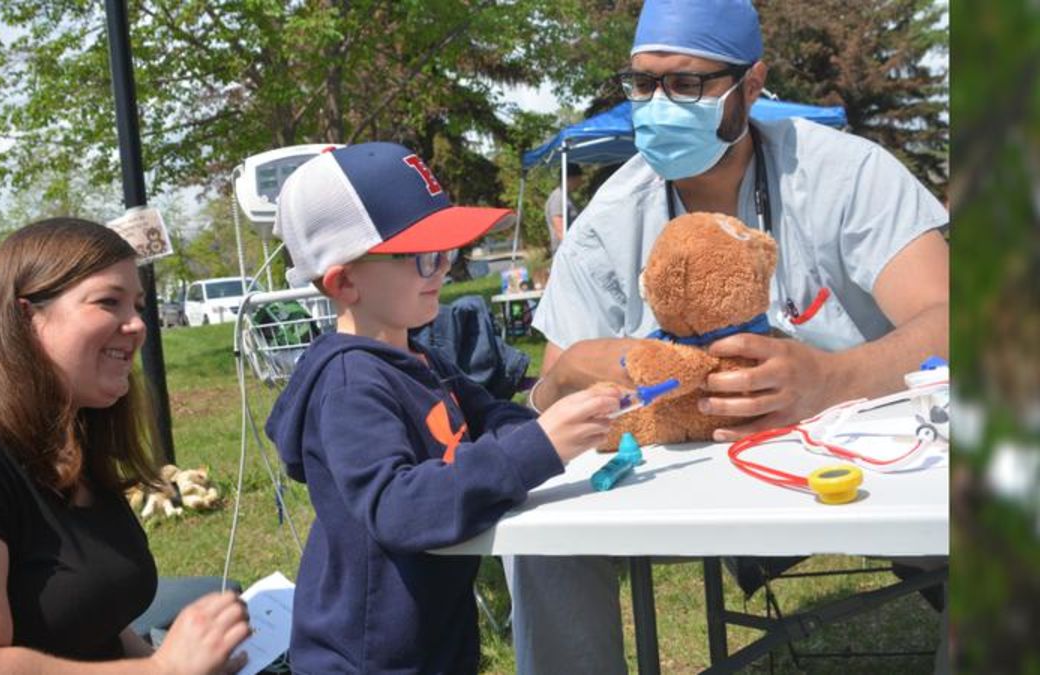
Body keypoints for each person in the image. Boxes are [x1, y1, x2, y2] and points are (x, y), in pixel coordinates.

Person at [510, 1, 950, 673]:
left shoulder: (846, 175)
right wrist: (569, 375)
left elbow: (954, 318)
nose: (658, 105)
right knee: (540, 537)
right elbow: (549, 401)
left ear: (751, 85)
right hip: (683, 481)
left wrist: (830, 380)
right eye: (642, 83)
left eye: (687, 83)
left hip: (864, 466)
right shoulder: (609, 219)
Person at [263, 141, 624, 673]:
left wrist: (542, 429)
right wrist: (536, 447)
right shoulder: (348, 385)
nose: (444, 271)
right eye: (424, 257)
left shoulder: (418, 356)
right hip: (371, 657)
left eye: (448, 253)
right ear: (345, 281)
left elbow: (492, 413)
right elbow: (399, 507)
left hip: (432, 636)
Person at [0, 218, 253, 674]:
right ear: (26, 316)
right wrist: (164, 670)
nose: (137, 325)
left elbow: (92, 619)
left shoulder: (68, 422)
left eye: (138, 305)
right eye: (108, 302)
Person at [544, 162, 585, 254]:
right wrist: (571, 250)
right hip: (564, 251)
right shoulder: (558, 197)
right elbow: (560, 229)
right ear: (571, 178)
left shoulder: (568, 196)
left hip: (573, 248)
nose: (581, 182)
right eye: (579, 178)